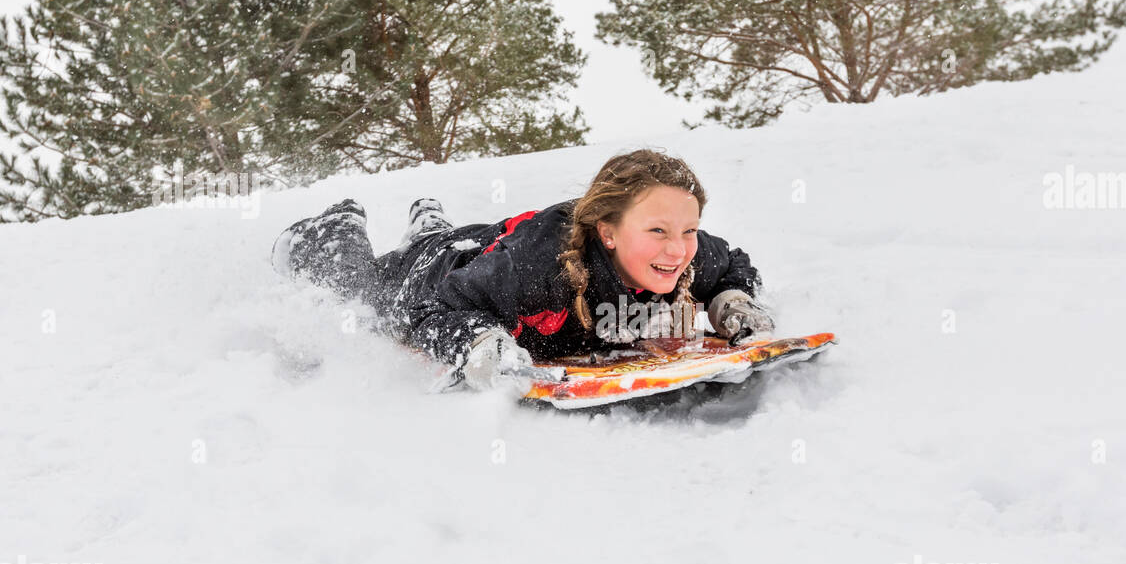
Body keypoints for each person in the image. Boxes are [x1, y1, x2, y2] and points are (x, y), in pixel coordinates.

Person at [270, 148, 775, 389]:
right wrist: (480, 346)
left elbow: (731, 264)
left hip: (484, 245)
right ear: (608, 231)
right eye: (659, 232)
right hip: (431, 276)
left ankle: (428, 223)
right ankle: (333, 227)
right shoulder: (542, 268)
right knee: (360, 291)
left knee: (457, 244)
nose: (678, 249)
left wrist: (732, 302)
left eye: (689, 229)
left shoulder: (681, 252)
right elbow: (432, 309)